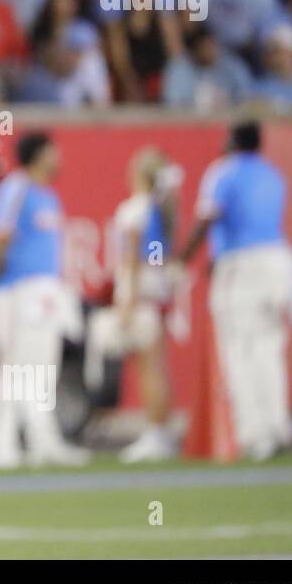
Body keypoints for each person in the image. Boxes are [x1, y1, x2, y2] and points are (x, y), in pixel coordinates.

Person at [179, 120, 292, 460]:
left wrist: (181, 259)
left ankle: (254, 432)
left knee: (239, 350)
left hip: (242, 268)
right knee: (269, 348)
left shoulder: (223, 172)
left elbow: (208, 219)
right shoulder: (273, 175)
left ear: (232, 141)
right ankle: (278, 424)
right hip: (277, 264)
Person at [0, 131, 90, 469]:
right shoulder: (17, 187)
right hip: (17, 291)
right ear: (38, 155)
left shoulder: (49, 196)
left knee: (42, 368)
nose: (59, 159)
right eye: (53, 152)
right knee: (12, 366)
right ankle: (2, 446)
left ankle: (44, 440)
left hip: (45, 293)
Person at [111, 147, 183, 462]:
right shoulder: (160, 208)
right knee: (158, 365)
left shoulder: (135, 210)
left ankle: (155, 432)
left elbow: (132, 258)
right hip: (159, 289)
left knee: (147, 367)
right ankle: (162, 431)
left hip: (141, 291)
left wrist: (128, 299)